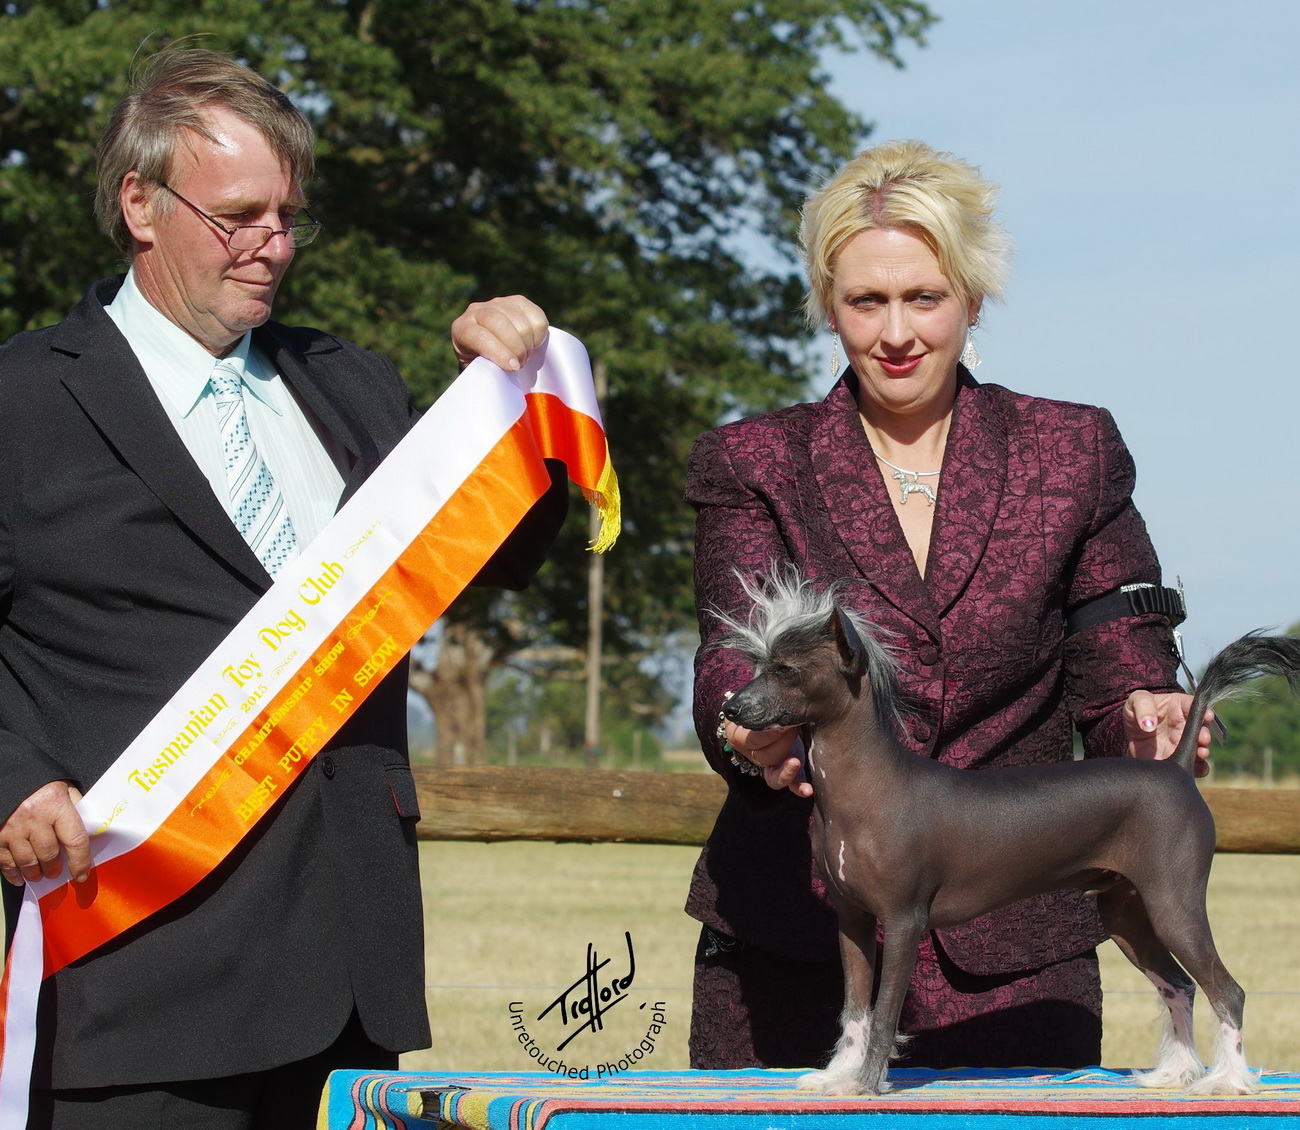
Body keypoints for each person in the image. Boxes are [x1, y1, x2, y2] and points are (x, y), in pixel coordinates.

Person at [0, 48, 565, 1129]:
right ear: (140, 203)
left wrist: (504, 399)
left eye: (289, 216)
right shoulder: (21, 399)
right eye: (241, 215)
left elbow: (495, 555)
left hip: (352, 972)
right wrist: (12, 779)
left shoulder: (349, 378)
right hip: (141, 976)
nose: (274, 245)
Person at [685, 140, 1213, 1072]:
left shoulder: (1072, 449)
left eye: (924, 297)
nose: (896, 332)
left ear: (973, 298)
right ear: (828, 306)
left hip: (1017, 960)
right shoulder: (751, 462)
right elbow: (735, 656)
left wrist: (1143, 706)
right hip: (799, 952)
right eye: (866, 301)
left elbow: (1119, 638)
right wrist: (751, 738)